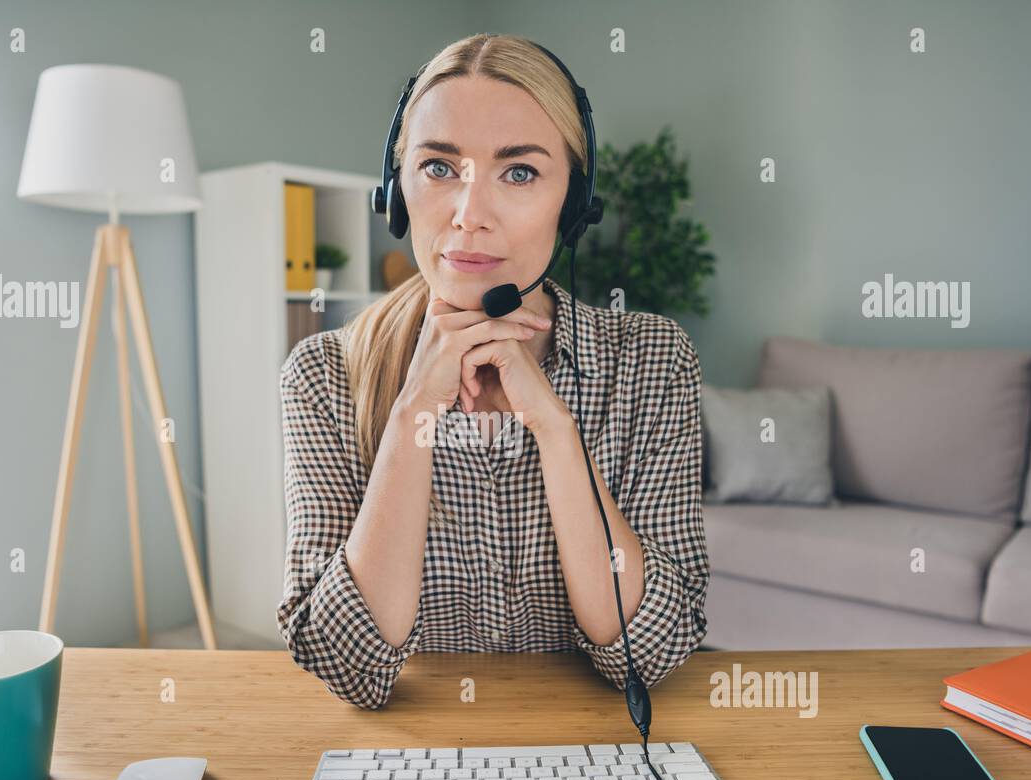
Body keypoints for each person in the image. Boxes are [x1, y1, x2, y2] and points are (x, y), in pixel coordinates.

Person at [277, 33, 709, 710]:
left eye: (519, 173)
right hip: (411, 764)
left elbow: (646, 653)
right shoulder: (324, 375)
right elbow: (346, 665)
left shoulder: (652, 362)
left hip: (592, 756)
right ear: (395, 194)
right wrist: (414, 410)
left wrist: (556, 431)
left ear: (573, 206)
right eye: (439, 168)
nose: (469, 216)